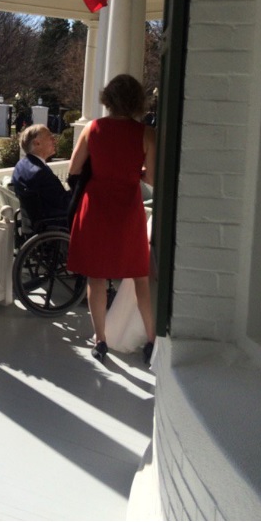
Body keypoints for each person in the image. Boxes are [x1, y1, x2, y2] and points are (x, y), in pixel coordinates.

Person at [66, 74, 156, 365]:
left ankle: (100, 339)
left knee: (97, 276)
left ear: (108, 98)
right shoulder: (146, 133)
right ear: (137, 101)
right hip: (128, 207)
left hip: (96, 206)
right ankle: (153, 340)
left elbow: (74, 169)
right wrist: (136, 173)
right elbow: (152, 178)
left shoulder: (92, 128)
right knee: (139, 276)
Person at [11, 124, 72, 224]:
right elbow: (66, 204)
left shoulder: (21, 165)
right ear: (37, 143)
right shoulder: (40, 173)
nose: (54, 140)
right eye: (50, 137)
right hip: (53, 227)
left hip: (33, 225)